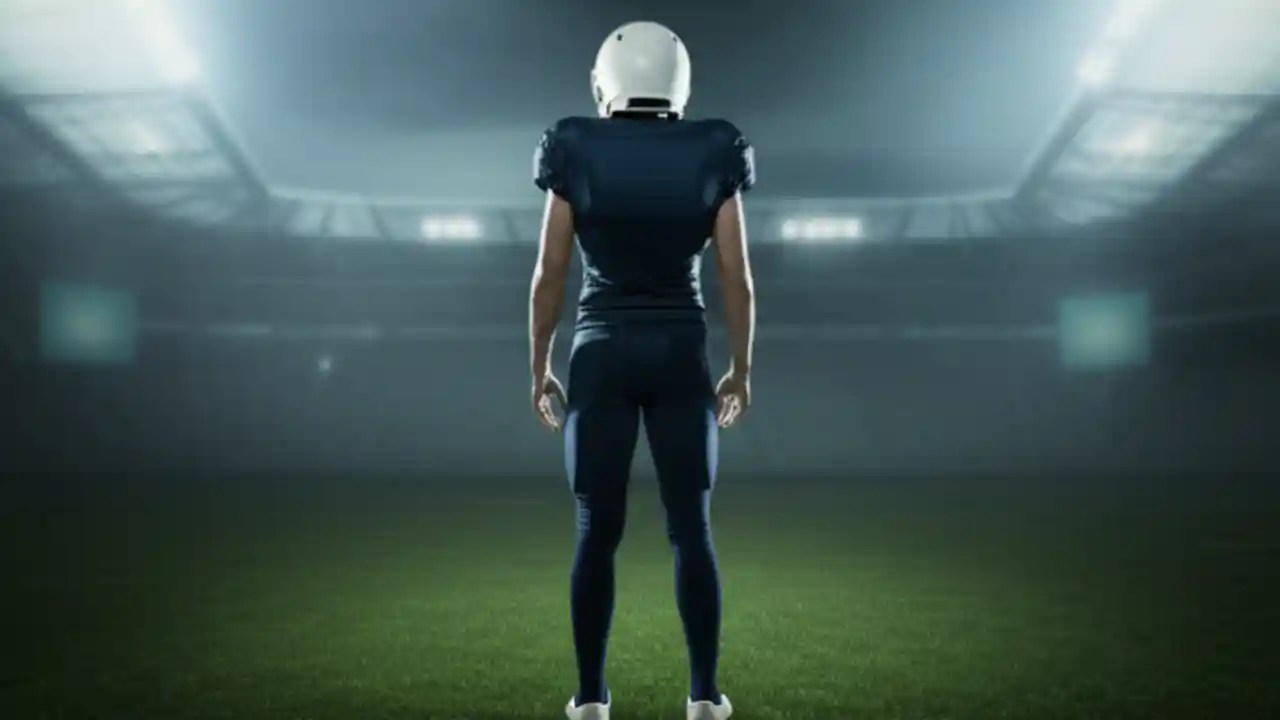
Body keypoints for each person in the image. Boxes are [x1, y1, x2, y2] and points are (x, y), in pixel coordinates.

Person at [527, 20, 756, 720]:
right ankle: (703, 697)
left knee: (597, 528)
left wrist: (537, 367)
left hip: (599, 351)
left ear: (606, 81)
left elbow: (550, 274)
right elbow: (735, 277)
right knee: (692, 527)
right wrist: (741, 369)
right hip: (680, 351)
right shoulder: (714, 146)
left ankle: (592, 699)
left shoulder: (573, 143)